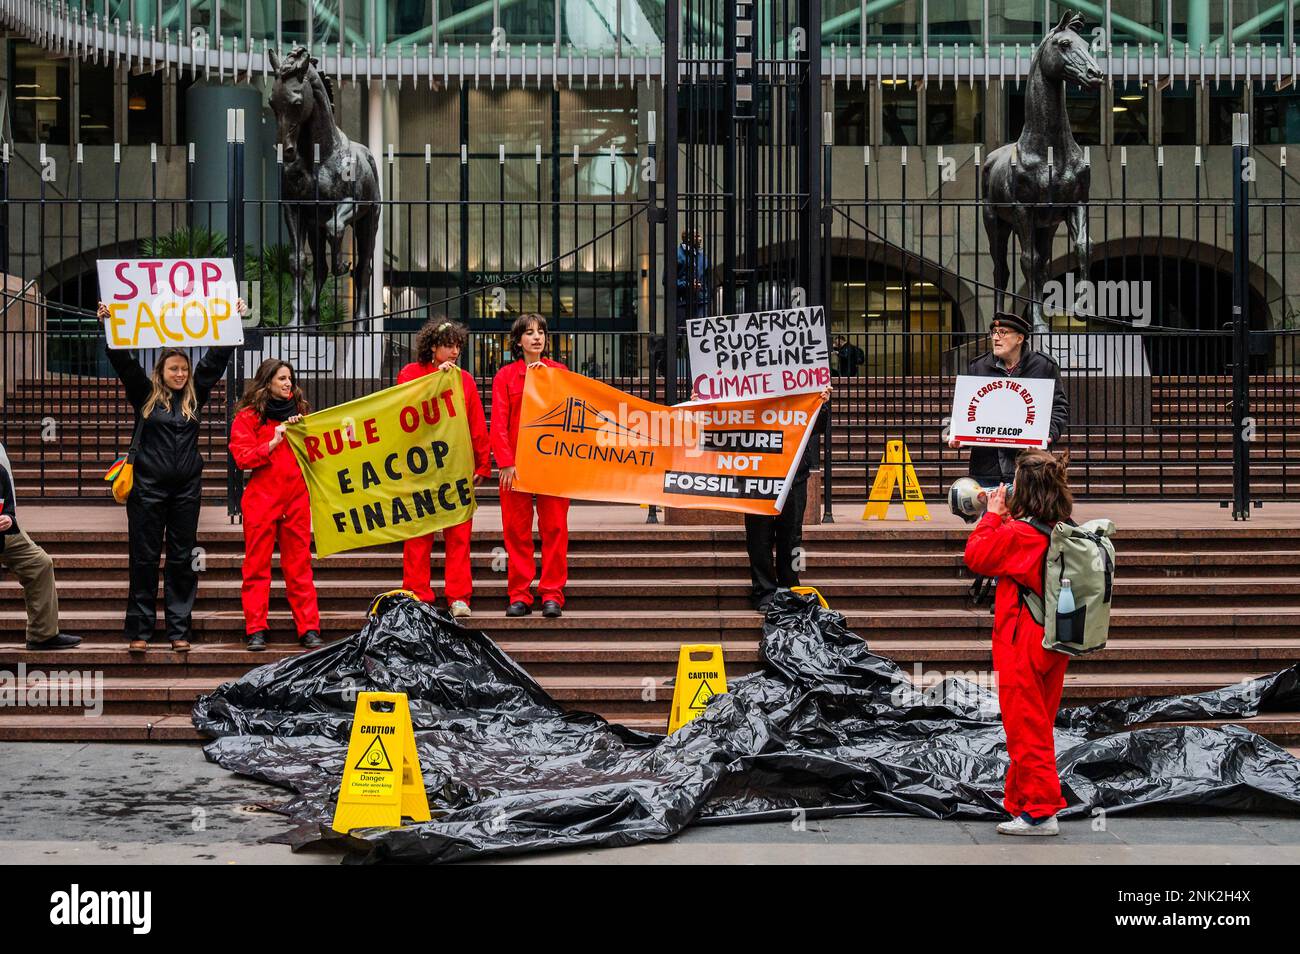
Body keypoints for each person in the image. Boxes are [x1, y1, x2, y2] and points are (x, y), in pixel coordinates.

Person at [97, 299, 244, 653]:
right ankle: (140, 631)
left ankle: (179, 630)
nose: (180, 374)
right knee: (144, 558)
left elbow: (214, 361)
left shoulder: (196, 396)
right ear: (161, 371)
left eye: (184, 369)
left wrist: (233, 318)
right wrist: (108, 324)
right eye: (173, 368)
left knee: (181, 558)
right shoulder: (145, 395)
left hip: (186, 492)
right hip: (147, 490)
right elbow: (124, 361)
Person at [963, 449, 1074, 837]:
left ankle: (1041, 812)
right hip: (1053, 638)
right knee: (1036, 721)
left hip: (1022, 639)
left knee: (1027, 728)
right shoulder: (1060, 526)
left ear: (1024, 489)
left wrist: (992, 515)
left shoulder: (1020, 533)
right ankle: (1022, 803)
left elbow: (976, 556)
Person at [397, 318, 490, 618]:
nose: (454, 352)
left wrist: (482, 462)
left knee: (459, 533)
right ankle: (416, 593)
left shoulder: (464, 380)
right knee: (417, 533)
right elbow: (403, 409)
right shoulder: (410, 374)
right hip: (421, 466)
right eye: (449, 345)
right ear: (433, 347)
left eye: (458, 346)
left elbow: (476, 421)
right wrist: (436, 381)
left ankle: (458, 596)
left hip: (454, 465)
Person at [229, 358, 321, 651]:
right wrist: (273, 441)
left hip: (295, 500)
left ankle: (308, 628)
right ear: (266, 381)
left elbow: (318, 453)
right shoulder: (248, 417)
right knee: (256, 567)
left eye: (290, 379)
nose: (288, 383)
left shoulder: (302, 414)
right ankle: (255, 628)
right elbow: (242, 457)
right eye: (282, 378)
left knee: (299, 567)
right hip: (262, 501)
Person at [490, 313, 570, 618]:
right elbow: (498, 423)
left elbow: (568, 414)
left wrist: (546, 379)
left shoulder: (559, 372)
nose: (536, 337)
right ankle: (520, 594)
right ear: (518, 341)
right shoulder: (505, 376)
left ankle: (552, 593)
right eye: (529, 333)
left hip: (553, 465)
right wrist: (506, 463)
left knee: (555, 529)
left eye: (541, 332)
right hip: (516, 466)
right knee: (516, 531)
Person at [949, 311, 1069, 487]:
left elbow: (1058, 408)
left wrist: (1049, 434)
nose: (996, 338)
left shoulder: (1043, 366)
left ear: (1019, 338)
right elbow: (967, 410)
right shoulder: (979, 367)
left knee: (1027, 514)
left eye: (1003, 333)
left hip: (1029, 467)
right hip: (986, 468)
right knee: (989, 515)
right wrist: (959, 434)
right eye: (993, 333)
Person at [744, 386, 831, 611]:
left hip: (794, 475)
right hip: (757, 473)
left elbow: (817, 427)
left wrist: (821, 403)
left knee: (793, 537)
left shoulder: (800, 390)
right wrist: (703, 401)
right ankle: (764, 591)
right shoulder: (745, 391)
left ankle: (791, 585)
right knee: (758, 537)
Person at [0, 442, 81, 650]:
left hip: (5, 533)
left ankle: (42, 634)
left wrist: (9, 517)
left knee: (40, 563)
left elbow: (6, 494)